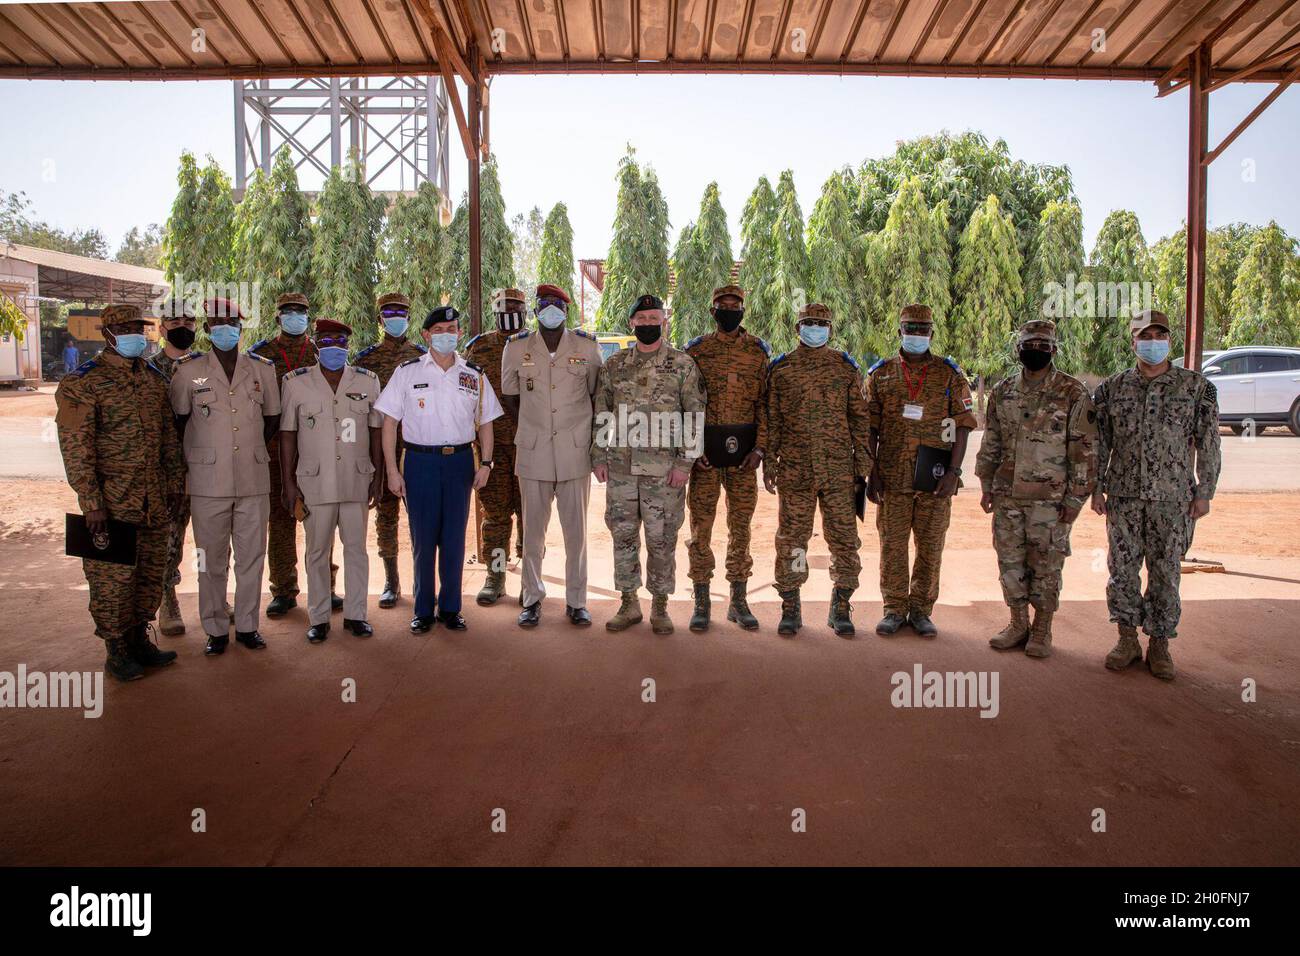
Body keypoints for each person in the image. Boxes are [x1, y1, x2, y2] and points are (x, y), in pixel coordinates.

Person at [55, 304, 185, 681]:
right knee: (112, 579)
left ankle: (139, 639)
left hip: (153, 498)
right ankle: (115, 649)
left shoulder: (152, 378)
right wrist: (91, 502)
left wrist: (175, 482)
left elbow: (167, 438)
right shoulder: (81, 383)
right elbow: (76, 448)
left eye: (139, 328)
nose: (136, 335)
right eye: (127, 328)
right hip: (111, 502)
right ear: (108, 334)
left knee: (148, 573)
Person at [1092, 309, 1221, 680]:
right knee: (1122, 571)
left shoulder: (1196, 388)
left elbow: (1209, 443)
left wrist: (1205, 491)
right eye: (1144, 337)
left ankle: (1160, 643)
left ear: (1170, 340)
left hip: (1173, 497)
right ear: (1132, 342)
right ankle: (1127, 638)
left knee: (1166, 572)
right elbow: (1101, 444)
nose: (1152, 343)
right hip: (1124, 496)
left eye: (1158, 336)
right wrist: (1096, 488)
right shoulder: (1112, 389)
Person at [976, 319, 1097, 658]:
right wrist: (986, 483)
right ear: (1019, 349)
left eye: (1043, 346)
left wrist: (1076, 498)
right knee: (1010, 561)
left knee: (1046, 564)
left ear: (1054, 350)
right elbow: (993, 440)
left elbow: (1085, 449)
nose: (1036, 351)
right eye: (1030, 345)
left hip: (1051, 500)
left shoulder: (1073, 393)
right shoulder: (1003, 391)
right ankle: (1017, 623)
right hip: (1008, 495)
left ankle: (1042, 628)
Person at [376, 306, 500, 633]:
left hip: (460, 461)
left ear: (460, 333)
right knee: (423, 538)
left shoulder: (474, 374)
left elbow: (486, 424)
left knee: (454, 539)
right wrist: (392, 469)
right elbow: (389, 423)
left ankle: (450, 608)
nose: (447, 334)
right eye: (440, 329)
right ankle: (422, 610)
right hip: (420, 463)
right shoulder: (407, 372)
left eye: (453, 328)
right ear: (427, 335)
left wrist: (486, 463)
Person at [170, 297, 281, 656]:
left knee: (251, 557)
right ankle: (216, 628)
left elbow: (272, 421)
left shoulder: (263, 370)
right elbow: (179, 421)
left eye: (232, 322)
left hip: (252, 478)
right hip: (207, 481)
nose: (225, 329)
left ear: (241, 328)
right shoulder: (188, 371)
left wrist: (245, 448)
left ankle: (248, 626)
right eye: (218, 323)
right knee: (209, 559)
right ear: (206, 329)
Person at [592, 294, 706, 635]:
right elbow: (602, 414)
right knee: (623, 537)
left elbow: (695, 416)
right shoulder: (614, 366)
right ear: (631, 323)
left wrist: (685, 464)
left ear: (664, 320)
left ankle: (660, 606)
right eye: (640, 319)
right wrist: (599, 457)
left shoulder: (682, 365)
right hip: (621, 470)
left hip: (664, 473)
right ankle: (629, 603)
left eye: (653, 318)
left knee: (661, 540)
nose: (646, 324)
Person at [865, 303, 978, 637]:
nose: (916, 335)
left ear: (932, 333)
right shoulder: (881, 374)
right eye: (910, 329)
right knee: (893, 546)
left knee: (930, 547)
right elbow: (869, 426)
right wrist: (872, 471)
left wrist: (954, 473)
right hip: (892, 477)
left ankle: (922, 611)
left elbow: (964, 425)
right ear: (900, 331)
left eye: (922, 329)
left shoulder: (949, 374)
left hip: (935, 477)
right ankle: (894, 608)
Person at [764, 303, 872, 637]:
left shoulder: (845, 368)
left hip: (839, 471)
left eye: (822, 323)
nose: (816, 328)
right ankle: (791, 605)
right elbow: (772, 420)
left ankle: (841, 604)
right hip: (796, 470)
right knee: (794, 541)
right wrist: (769, 462)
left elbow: (860, 418)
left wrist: (863, 464)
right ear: (798, 329)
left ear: (830, 329)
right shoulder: (781, 370)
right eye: (809, 323)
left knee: (843, 539)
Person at [500, 283, 603, 628]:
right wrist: (535, 427)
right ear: (535, 310)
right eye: (545, 303)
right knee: (533, 534)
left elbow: (594, 394)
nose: (551, 309)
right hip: (533, 453)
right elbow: (511, 398)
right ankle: (531, 598)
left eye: (557, 304)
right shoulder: (515, 349)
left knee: (577, 534)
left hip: (574, 454)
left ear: (566, 310)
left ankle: (577, 601)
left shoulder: (587, 348)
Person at [279, 319, 382, 643]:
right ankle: (319, 617)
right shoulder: (296, 383)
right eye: (325, 340)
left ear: (348, 345)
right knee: (316, 552)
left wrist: (377, 476)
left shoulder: (368, 380)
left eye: (339, 340)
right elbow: (287, 436)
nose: (333, 346)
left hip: (356, 479)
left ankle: (356, 615)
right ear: (315, 344)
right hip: (314, 481)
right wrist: (288, 484)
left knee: (356, 551)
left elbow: (377, 431)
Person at [683, 284, 770, 632]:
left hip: (744, 460)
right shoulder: (697, 352)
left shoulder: (757, 353)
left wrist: (760, 449)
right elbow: (684, 404)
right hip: (705, 460)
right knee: (700, 528)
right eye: (724, 305)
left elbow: (765, 405)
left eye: (736, 305)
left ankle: (738, 599)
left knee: (741, 528)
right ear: (713, 311)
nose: (730, 310)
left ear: (743, 310)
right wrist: (692, 449)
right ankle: (701, 599)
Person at [249, 292, 340, 617]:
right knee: (282, 519)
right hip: (275, 453)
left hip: (317, 451)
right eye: (288, 312)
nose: (295, 316)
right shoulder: (261, 357)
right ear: (278, 318)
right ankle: (283, 590)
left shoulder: (322, 353)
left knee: (321, 520)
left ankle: (325, 587)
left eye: (300, 311)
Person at [354, 292, 427, 609]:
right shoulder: (365, 360)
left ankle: (421, 580)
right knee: (385, 515)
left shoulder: (423, 356)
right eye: (389, 312)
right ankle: (391, 580)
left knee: (421, 517)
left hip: (416, 449)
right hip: (381, 450)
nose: (396, 317)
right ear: (380, 319)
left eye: (401, 312)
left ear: (409, 317)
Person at [464, 288, 527, 605]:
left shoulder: (536, 345)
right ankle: (496, 575)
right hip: (493, 449)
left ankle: (531, 572)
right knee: (497, 514)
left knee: (532, 513)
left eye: (516, 306)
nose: (509, 311)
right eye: (503, 306)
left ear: (525, 311)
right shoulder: (479, 348)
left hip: (530, 445)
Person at [150, 296, 200, 637]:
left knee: (215, 537)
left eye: (189, 323)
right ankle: (167, 599)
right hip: (168, 473)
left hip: (207, 467)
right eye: (175, 322)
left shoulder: (205, 367)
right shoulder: (149, 371)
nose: (182, 328)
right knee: (170, 538)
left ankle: (216, 597)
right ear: (162, 327)